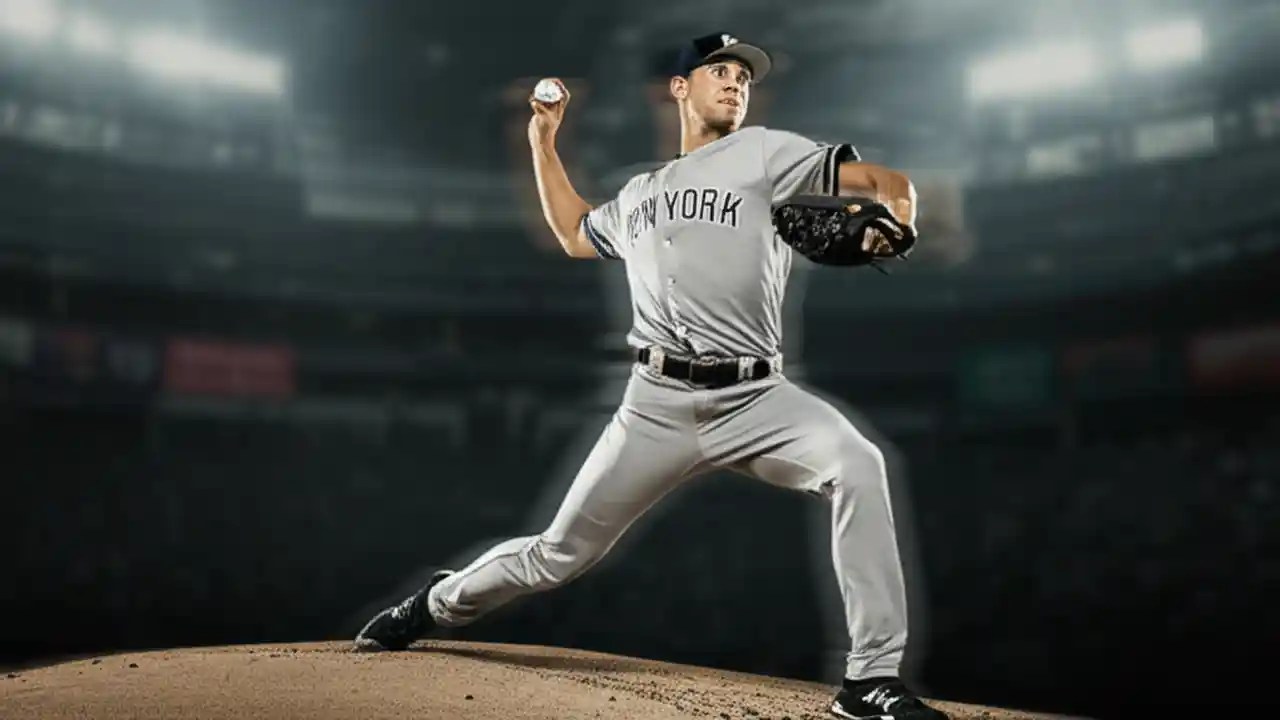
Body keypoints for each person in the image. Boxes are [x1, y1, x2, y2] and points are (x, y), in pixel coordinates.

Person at [355, 32, 946, 720]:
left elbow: (887, 184)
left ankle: (870, 681)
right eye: (718, 71)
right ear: (678, 88)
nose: (734, 83)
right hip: (655, 406)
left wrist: (898, 224)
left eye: (742, 76)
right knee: (557, 554)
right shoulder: (640, 194)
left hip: (758, 397)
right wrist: (544, 142)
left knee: (858, 464)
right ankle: (435, 603)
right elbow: (576, 232)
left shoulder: (765, 152)